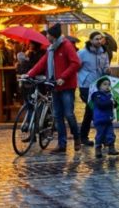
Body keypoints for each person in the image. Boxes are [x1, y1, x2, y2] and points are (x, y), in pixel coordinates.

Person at [27, 23, 82, 153]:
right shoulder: (51, 48)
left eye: (48, 35)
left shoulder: (66, 46)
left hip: (66, 85)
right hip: (54, 85)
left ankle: (77, 137)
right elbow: (42, 63)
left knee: (68, 114)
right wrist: (29, 74)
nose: (47, 37)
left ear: (53, 36)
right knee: (57, 115)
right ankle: (62, 144)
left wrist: (63, 77)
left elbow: (75, 63)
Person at [77, 31, 110, 146]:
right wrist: (82, 77)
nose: (99, 41)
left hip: (99, 85)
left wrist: (107, 70)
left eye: (100, 38)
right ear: (90, 40)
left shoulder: (104, 53)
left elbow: (106, 66)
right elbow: (76, 66)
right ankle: (86, 136)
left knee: (94, 110)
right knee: (92, 109)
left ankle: (100, 136)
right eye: (96, 39)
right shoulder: (82, 53)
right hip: (86, 85)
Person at [90, 75, 119, 158]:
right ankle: (98, 148)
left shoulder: (110, 95)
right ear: (99, 86)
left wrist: (115, 102)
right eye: (104, 84)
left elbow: (114, 105)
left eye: (108, 84)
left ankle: (111, 148)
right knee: (100, 134)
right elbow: (101, 105)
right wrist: (111, 102)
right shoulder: (96, 95)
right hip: (100, 120)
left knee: (111, 134)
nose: (107, 86)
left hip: (108, 119)